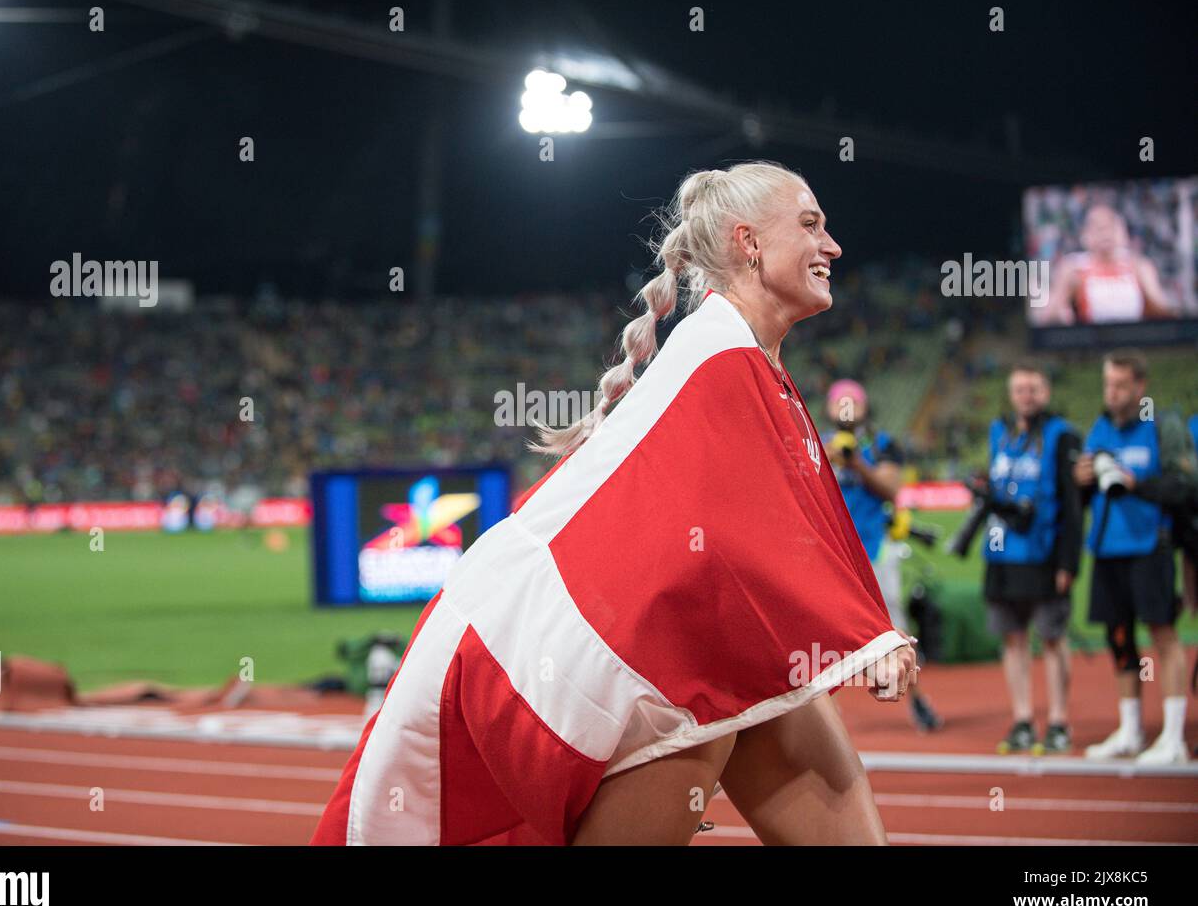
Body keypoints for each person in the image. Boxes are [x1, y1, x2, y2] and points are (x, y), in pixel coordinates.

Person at [311, 161, 918, 846]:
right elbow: (743, 536)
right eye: (810, 225)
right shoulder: (718, 353)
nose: (832, 245)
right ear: (749, 243)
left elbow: (780, 528)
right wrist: (867, 631)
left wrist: (868, 628)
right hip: (574, 646)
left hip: (657, 639)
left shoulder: (742, 355)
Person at [1076, 351, 1195, 764]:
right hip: (1107, 547)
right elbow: (1084, 495)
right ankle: (1130, 730)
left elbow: (1185, 486)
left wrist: (1135, 484)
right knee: (1119, 638)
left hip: (1149, 546)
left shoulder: (1161, 426)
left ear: (1140, 386)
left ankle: (1174, 737)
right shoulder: (1099, 429)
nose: (1112, 392)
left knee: (1163, 634)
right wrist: (1081, 480)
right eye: (1108, 384)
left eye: (1121, 385)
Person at [824, 378, 941, 732]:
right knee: (821, 630)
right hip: (831, 552)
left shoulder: (882, 444)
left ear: (864, 407)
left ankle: (917, 698)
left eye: (853, 402)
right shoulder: (817, 442)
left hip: (874, 549)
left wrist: (855, 463)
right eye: (840, 402)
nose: (846, 409)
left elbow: (891, 489)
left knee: (892, 626)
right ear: (829, 408)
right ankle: (826, 714)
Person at [982, 363, 1082, 755]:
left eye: (1034, 388)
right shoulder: (999, 432)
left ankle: (1058, 722)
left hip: (1044, 555)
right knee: (1012, 638)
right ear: (1011, 394)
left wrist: (1068, 562)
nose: (1027, 396)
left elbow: (1073, 504)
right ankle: (1023, 720)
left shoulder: (1062, 435)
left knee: (1052, 638)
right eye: (1020, 389)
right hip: (1001, 554)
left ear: (1046, 392)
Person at [1039, 204, 1173, 325]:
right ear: (1085, 234)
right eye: (1098, 227)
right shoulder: (1073, 267)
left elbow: (1161, 306)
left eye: (1110, 225)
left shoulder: (1140, 265)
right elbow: (1047, 317)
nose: (1105, 233)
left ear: (1121, 231)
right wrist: (1062, 309)